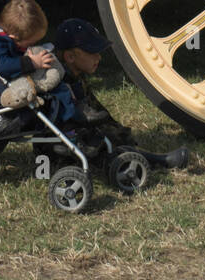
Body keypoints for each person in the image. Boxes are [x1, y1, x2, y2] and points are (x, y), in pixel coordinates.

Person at [55, 18, 191, 171]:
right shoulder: (63, 84)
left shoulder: (76, 76)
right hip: (68, 145)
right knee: (108, 148)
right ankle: (160, 162)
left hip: (79, 136)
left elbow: (96, 109)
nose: (99, 57)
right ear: (70, 57)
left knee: (113, 138)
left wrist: (118, 131)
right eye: (92, 52)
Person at [0, 0, 75, 125]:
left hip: (28, 76)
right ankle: (67, 125)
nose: (35, 43)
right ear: (14, 37)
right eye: (31, 42)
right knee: (58, 93)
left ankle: (74, 112)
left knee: (62, 82)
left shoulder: (12, 37)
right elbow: (1, 65)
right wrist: (31, 62)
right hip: (17, 84)